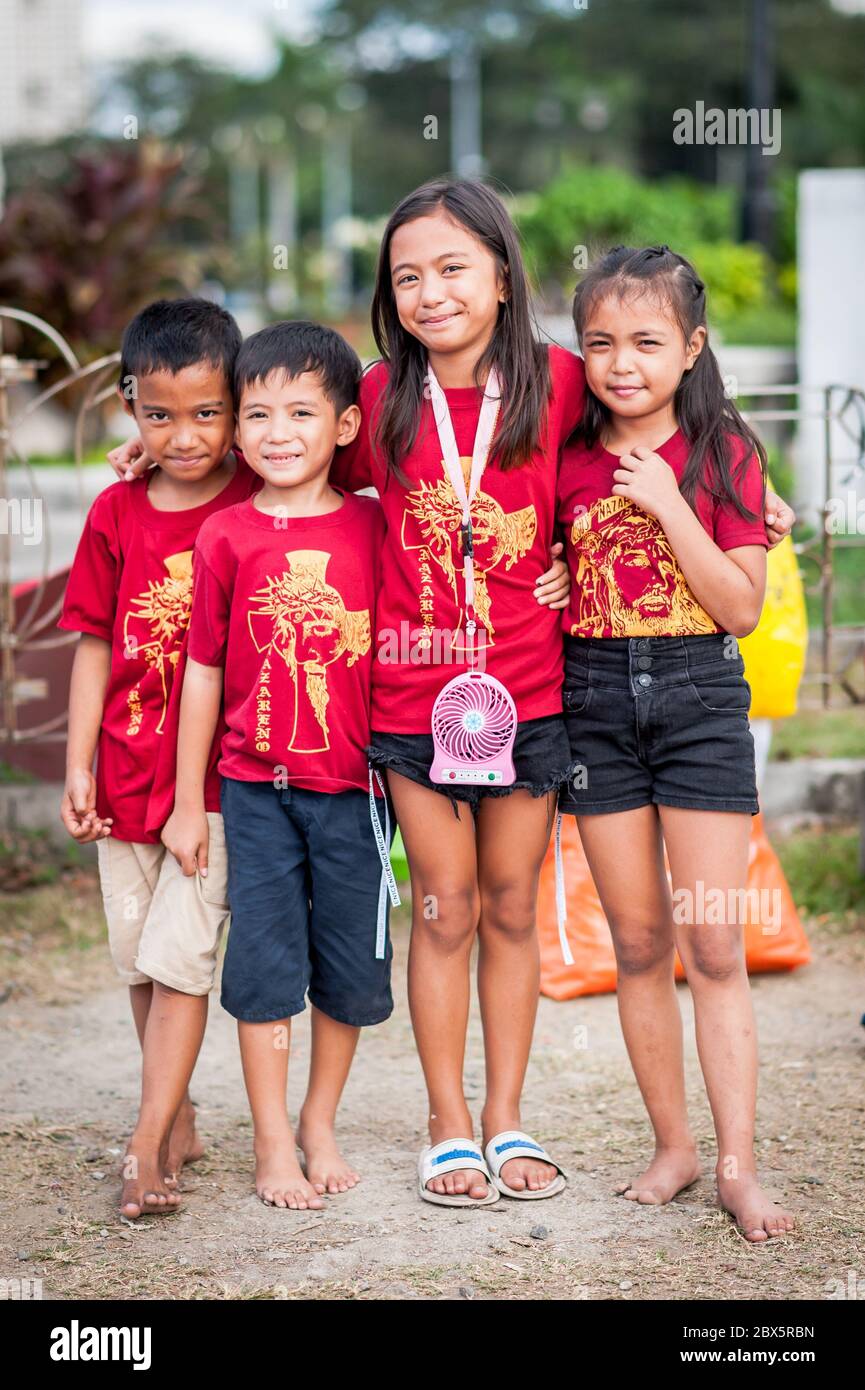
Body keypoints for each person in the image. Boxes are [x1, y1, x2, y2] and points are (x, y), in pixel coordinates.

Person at [556, 244, 795, 1241]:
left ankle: (737, 1162)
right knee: (641, 944)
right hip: (596, 701)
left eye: (648, 341)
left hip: (697, 697)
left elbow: (740, 606)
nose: (623, 362)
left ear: (692, 347)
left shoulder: (725, 452)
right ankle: (674, 1146)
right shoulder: (562, 453)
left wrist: (664, 502)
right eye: (601, 341)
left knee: (710, 942)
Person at [162, 321, 395, 1210]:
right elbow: (204, 673)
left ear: (343, 426)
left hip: (356, 793)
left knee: (349, 969)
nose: (276, 431)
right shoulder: (224, 535)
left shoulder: (375, 526)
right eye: (255, 413)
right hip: (256, 792)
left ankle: (319, 1120)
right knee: (262, 968)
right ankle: (269, 1141)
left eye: (301, 411)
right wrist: (193, 802)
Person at [59, 297, 256, 1218]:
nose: (184, 435)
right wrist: (76, 763)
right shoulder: (114, 510)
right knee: (139, 956)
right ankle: (170, 1114)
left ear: (238, 406)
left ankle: (143, 1150)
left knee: (183, 955)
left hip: (216, 782)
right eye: (159, 414)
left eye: (208, 412)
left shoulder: (259, 500)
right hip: (124, 769)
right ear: (129, 407)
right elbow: (93, 640)